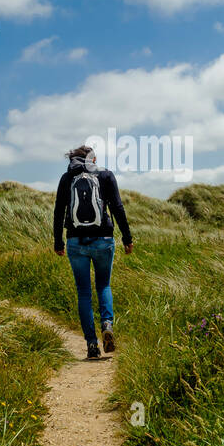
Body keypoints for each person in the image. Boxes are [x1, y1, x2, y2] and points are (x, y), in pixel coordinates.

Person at [53, 144, 132, 359]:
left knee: (84, 293)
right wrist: (127, 237)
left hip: (75, 241)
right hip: (103, 239)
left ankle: (91, 344)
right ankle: (107, 324)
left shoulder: (66, 178)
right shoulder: (105, 175)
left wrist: (58, 242)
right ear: (93, 160)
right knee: (103, 285)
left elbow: (59, 210)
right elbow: (117, 207)